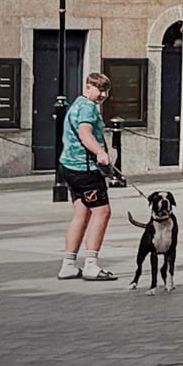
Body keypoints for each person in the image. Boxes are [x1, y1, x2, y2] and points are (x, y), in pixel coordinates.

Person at [56, 72, 118, 281]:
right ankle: (91, 264)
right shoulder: (88, 108)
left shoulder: (77, 104)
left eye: (106, 91)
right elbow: (85, 133)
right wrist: (100, 152)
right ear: (87, 88)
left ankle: (68, 265)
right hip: (85, 169)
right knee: (102, 212)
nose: (103, 95)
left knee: (81, 213)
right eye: (99, 90)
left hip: (69, 166)